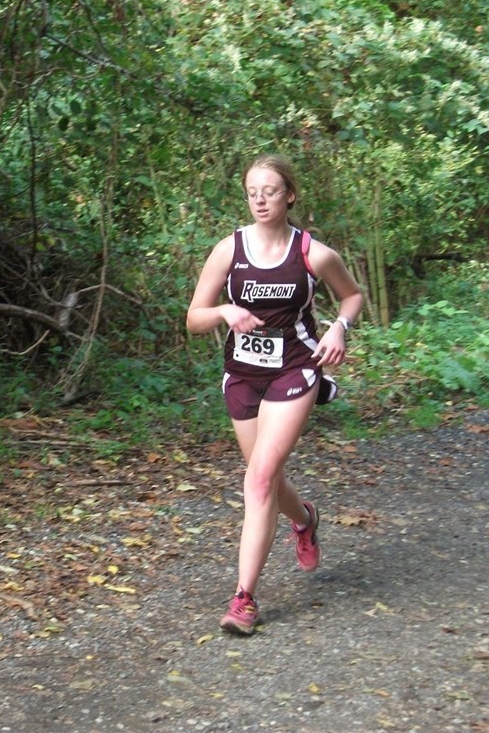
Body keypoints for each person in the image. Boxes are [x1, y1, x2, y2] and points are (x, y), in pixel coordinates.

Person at [186, 153, 363, 635]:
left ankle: (243, 600)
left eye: (270, 191)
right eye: (252, 193)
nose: (260, 200)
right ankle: (304, 520)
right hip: (243, 375)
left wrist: (339, 328)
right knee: (265, 478)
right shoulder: (229, 250)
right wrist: (224, 312)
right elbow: (194, 318)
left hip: (295, 368)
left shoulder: (313, 253)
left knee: (260, 478)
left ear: (290, 195)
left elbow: (352, 295)